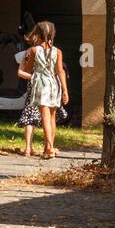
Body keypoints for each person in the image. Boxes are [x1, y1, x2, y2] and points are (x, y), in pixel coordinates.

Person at [21, 20, 69, 159]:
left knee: (45, 116)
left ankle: (50, 148)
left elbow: (29, 70)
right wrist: (65, 90)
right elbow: (60, 71)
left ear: (38, 34)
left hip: (41, 84)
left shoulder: (34, 50)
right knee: (53, 117)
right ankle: (49, 147)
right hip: (55, 85)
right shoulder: (58, 51)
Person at [15, 26, 43, 157]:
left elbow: (20, 72)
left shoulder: (27, 52)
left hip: (33, 87)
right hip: (45, 86)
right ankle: (49, 148)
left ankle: (27, 148)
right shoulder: (48, 52)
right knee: (48, 116)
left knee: (30, 116)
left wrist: (32, 77)